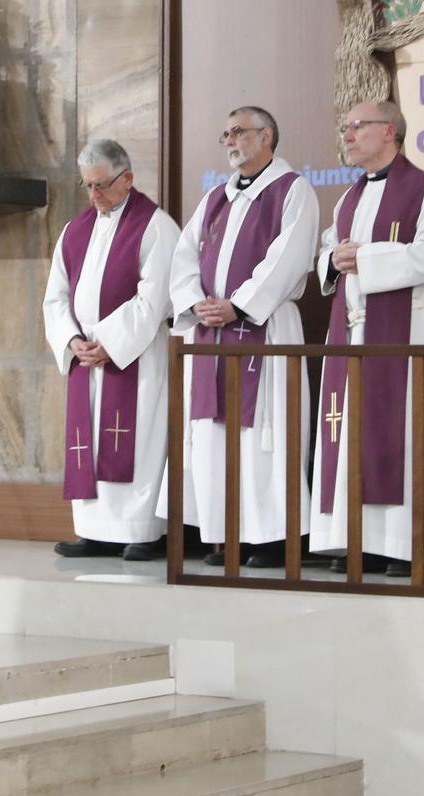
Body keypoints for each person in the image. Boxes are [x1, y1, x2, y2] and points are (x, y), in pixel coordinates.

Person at [308, 100, 424, 576]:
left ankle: (409, 544)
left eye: (358, 127)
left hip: (404, 333)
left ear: (389, 132)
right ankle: (360, 541)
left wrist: (367, 259)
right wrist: (333, 260)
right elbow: (328, 252)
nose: (348, 136)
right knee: (353, 433)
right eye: (346, 127)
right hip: (352, 333)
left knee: (406, 434)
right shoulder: (348, 198)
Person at [165, 106, 319, 568]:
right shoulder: (215, 198)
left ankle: (271, 538)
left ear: (267, 136)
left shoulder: (293, 192)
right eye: (226, 134)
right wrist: (196, 302)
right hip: (213, 335)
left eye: (239, 132)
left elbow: (288, 257)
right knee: (216, 435)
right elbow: (184, 257)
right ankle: (227, 534)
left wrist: (240, 304)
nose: (230, 140)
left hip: (264, 330)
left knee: (265, 436)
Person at [42, 139, 181, 560]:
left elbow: (154, 299)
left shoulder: (155, 226)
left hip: (135, 356)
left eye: (101, 185)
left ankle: (142, 532)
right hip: (88, 357)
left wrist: (110, 343)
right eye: (87, 186)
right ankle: (94, 531)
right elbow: (55, 297)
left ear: (128, 179)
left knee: (137, 441)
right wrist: (72, 341)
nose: (94, 195)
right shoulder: (75, 229)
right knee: (91, 445)